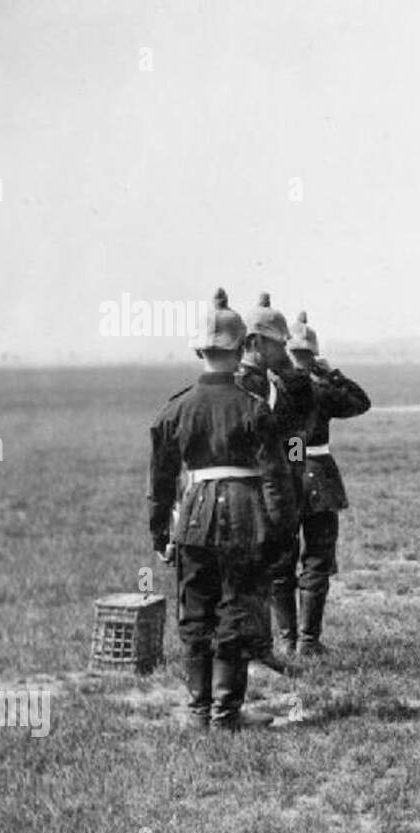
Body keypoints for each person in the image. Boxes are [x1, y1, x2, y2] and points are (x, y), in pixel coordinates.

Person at [147, 288, 296, 730]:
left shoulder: (174, 410)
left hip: (192, 520)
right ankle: (227, 712)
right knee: (236, 610)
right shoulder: (255, 410)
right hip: (245, 522)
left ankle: (198, 712)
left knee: (196, 612)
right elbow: (276, 480)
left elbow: (159, 483)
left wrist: (161, 534)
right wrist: (281, 534)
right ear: (240, 349)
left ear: (201, 350)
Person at [234, 293, 315, 666]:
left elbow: (297, 436)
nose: (283, 350)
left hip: (275, 491)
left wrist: (294, 471)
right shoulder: (240, 386)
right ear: (253, 343)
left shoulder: (275, 385)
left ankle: (276, 643)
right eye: (276, 344)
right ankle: (251, 648)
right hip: (248, 495)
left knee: (280, 567)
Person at [284, 311, 371, 655]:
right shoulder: (323, 390)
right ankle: (308, 640)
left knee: (281, 560)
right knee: (317, 560)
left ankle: (287, 639)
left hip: (285, 477)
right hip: (319, 477)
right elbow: (362, 402)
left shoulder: (274, 388)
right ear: (314, 353)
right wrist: (332, 372)